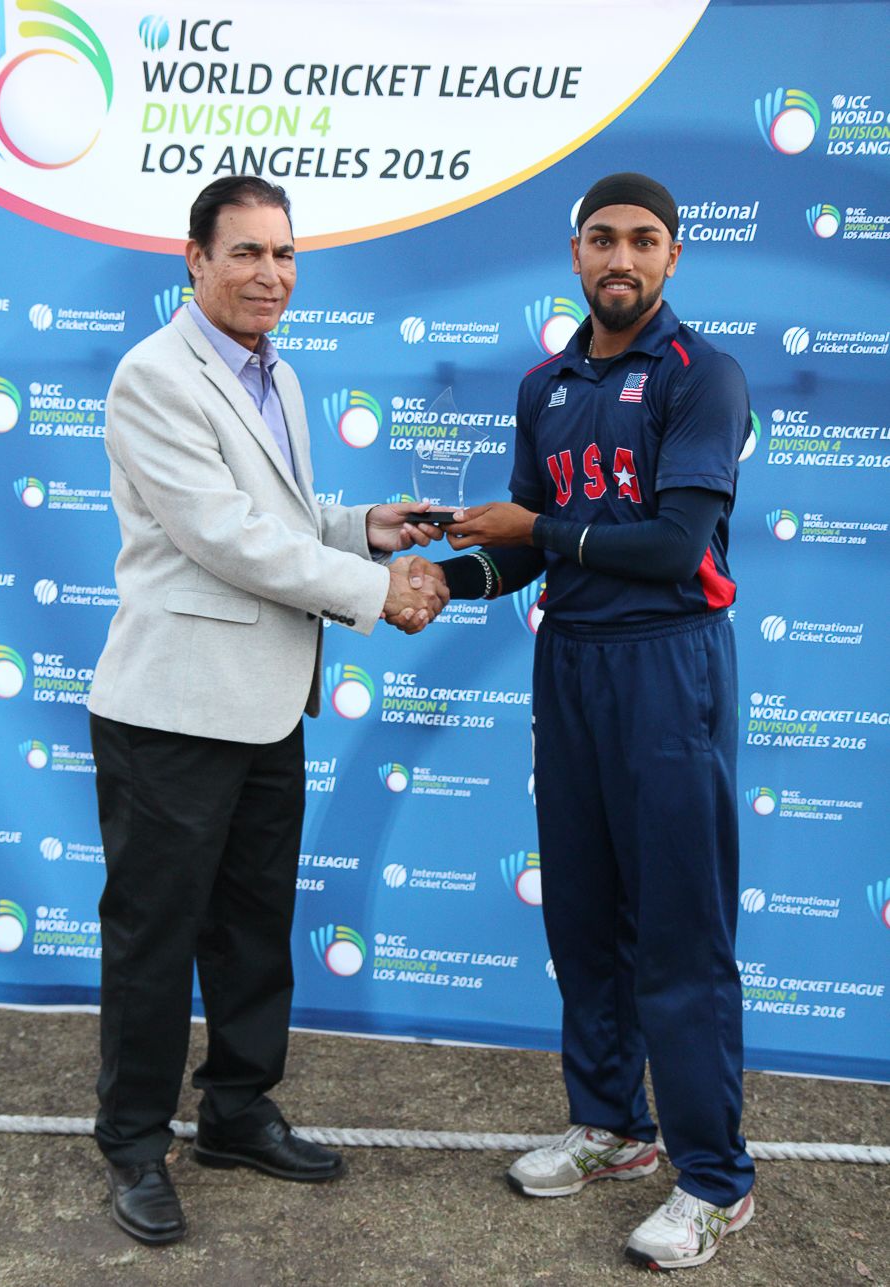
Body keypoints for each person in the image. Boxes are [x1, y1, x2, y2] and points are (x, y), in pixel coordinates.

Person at [87, 175, 447, 1246]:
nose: (269, 275)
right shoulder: (156, 377)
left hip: (261, 709)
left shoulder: (277, 378)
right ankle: (136, 1143)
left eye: (284, 255)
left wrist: (360, 528)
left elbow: (278, 518)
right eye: (244, 253)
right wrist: (376, 589)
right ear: (193, 261)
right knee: (156, 938)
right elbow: (223, 538)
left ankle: (236, 1111)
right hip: (171, 712)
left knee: (252, 933)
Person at [423, 172, 755, 1271]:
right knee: (583, 912)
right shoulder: (546, 385)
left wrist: (544, 529)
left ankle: (714, 1181)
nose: (622, 257)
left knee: (680, 933)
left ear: (671, 259)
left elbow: (671, 547)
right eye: (602, 239)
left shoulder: (703, 377)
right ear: (575, 257)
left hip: (669, 668)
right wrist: (443, 579)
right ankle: (613, 1128)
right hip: (570, 665)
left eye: (643, 241)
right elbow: (528, 543)